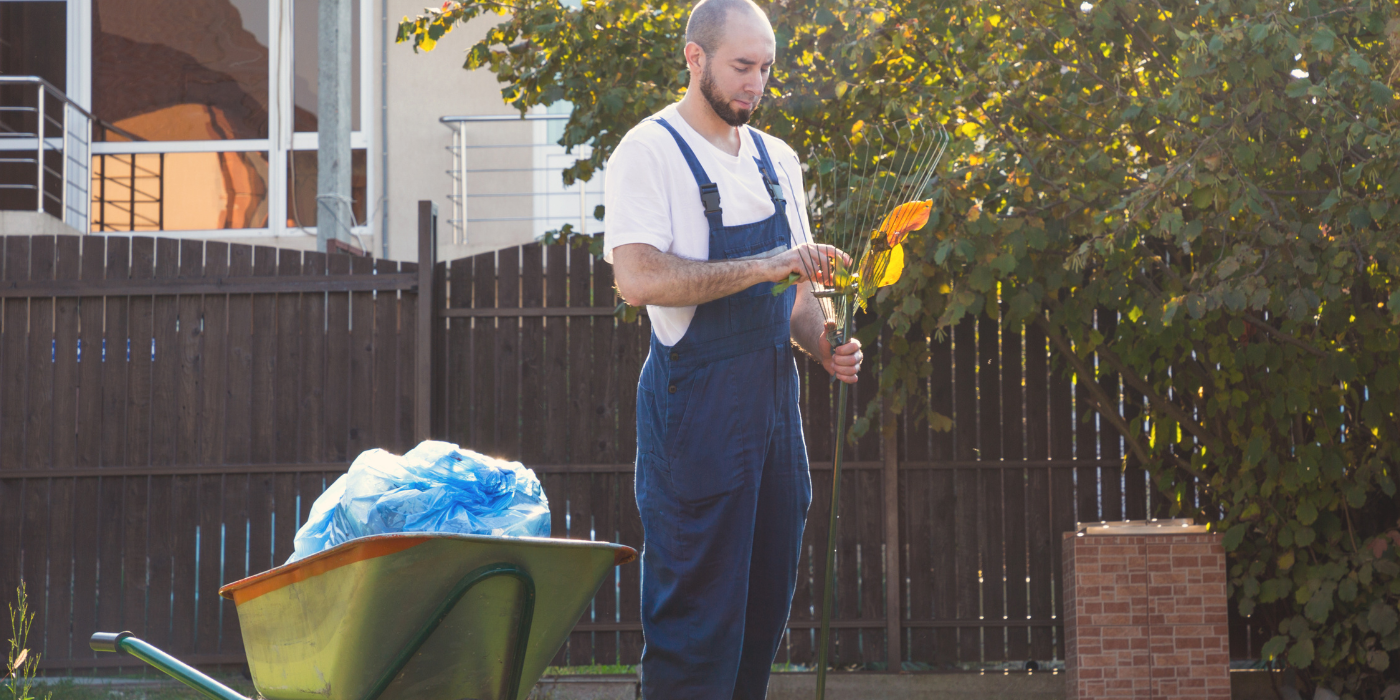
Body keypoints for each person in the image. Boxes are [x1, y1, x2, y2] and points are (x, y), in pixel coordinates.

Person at [602, 0, 862, 696]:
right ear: (695, 57)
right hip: (697, 420)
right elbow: (637, 279)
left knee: (761, 612)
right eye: (742, 66)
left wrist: (824, 343)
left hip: (777, 418)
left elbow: (798, 298)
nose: (756, 83)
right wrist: (766, 265)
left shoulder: (779, 161)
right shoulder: (649, 150)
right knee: (696, 623)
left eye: (766, 69)